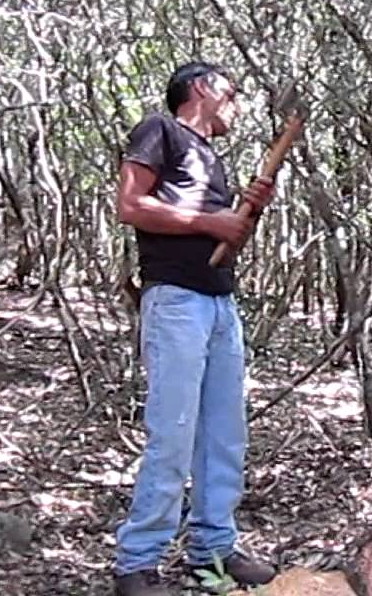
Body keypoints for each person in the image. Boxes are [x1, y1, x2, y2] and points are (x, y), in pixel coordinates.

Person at [112, 61, 277, 596]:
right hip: (176, 300)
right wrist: (212, 221)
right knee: (174, 430)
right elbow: (131, 206)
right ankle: (137, 563)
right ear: (202, 89)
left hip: (218, 305)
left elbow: (215, 231)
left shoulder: (212, 159)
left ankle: (214, 549)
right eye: (232, 91)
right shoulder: (158, 131)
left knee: (224, 433)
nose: (237, 103)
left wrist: (241, 216)